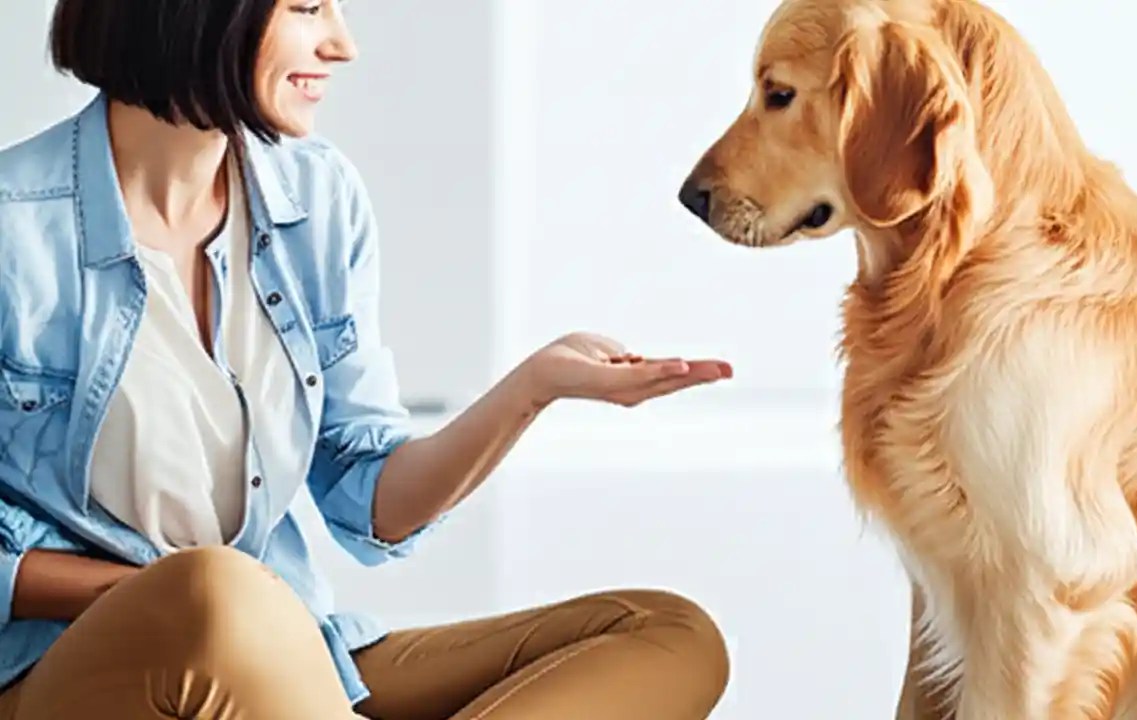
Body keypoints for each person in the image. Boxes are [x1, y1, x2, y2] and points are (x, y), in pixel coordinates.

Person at [0, 0, 734, 717]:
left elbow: (368, 492)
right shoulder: (14, 228)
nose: (342, 45)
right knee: (215, 596)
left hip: (287, 649)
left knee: (669, 636)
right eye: (309, 8)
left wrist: (533, 388)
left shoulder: (316, 198)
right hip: (69, 673)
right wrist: (161, 595)